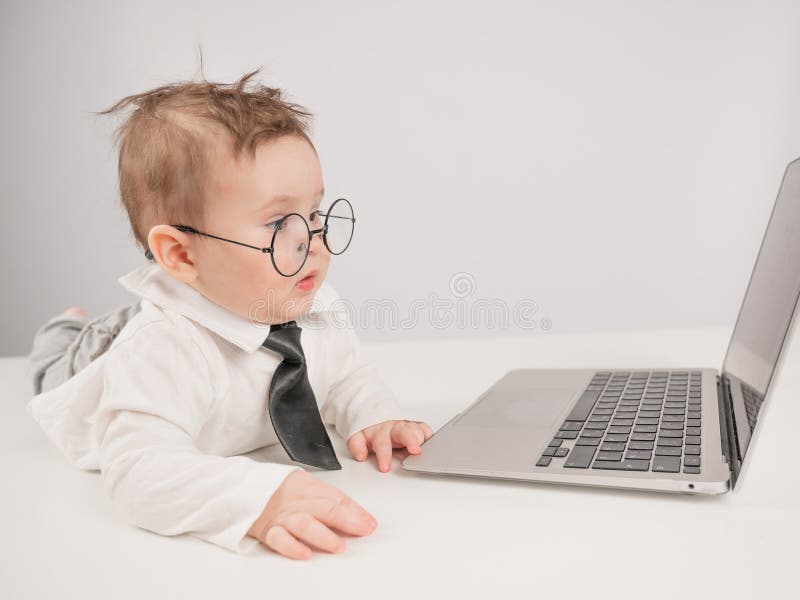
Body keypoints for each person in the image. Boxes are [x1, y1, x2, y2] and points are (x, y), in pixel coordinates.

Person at [25, 69, 434, 560]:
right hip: (100, 355)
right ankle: (66, 324)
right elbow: (137, 471)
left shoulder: (316, 303)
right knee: (56, 364)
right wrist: (256, 501)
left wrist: (375, 416)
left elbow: (345, 375)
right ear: (181, 255)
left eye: (315, 214)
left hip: (191, 305)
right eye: (280, 223)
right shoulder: (162, 349)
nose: (313, 241)